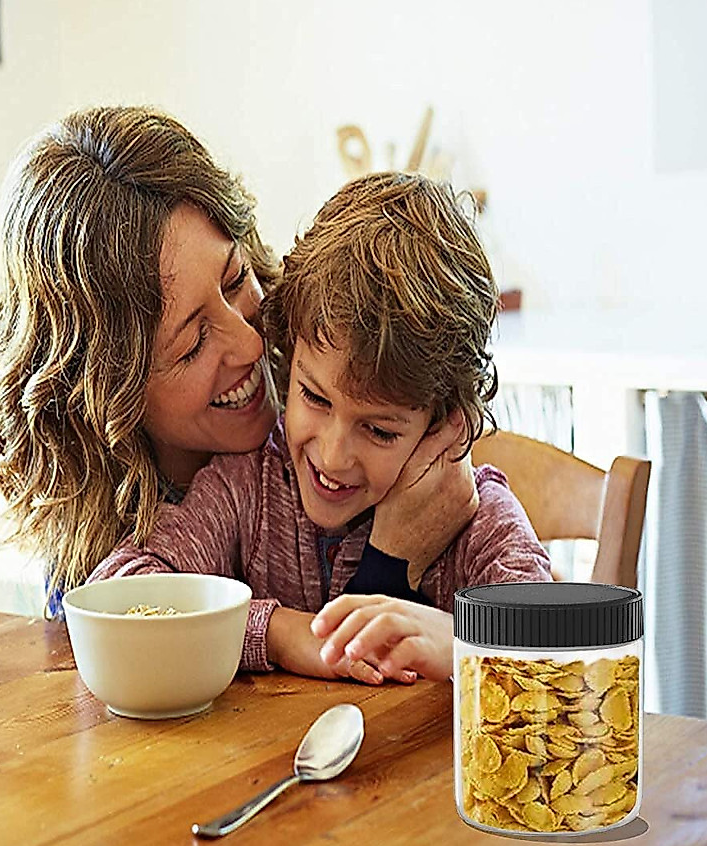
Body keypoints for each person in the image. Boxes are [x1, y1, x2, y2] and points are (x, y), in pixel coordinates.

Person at [0, 108, 482, 670]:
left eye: (237, 280)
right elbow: (122, 618)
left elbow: (542, 643)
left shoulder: (367, 415)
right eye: (192, 344)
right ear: (106, 393)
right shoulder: (153, 541)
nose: (249, 345)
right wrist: (368, 578)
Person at [88, 171, 552, 684]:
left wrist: (461, 643)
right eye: (313, 398)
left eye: (378, 431)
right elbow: (121, 597)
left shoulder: (476, 516)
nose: (332, 456)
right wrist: (279, 634)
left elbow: (555, 656)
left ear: (444, 424)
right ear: (290, 357)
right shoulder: (248, 487)